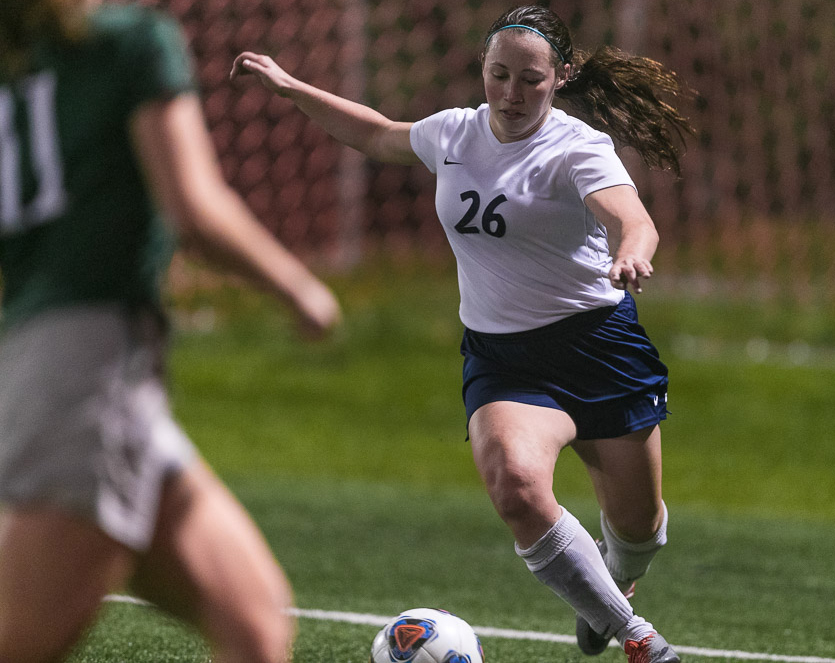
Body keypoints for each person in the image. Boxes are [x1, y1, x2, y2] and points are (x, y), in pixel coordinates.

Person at [232, 4, 692, 663]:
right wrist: (289, 87)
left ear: (560, 77)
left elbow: (633, 219)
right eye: (498, 75)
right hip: (505, 361)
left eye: (530, 80)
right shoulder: (454, 133)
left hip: (600, 351)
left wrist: (631, 253)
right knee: (514, 485)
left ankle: (612, 582)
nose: (511, 93)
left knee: (638, 533)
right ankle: (637, 635)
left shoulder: (578, 148)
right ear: (482, 67)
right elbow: (377, 134)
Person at [0, 1, 342, 661]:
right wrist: (298, 288)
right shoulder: (131, 43)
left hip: (60, 367)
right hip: (88, 377)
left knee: (253, 625)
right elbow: (195, 211)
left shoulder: (16, 60)